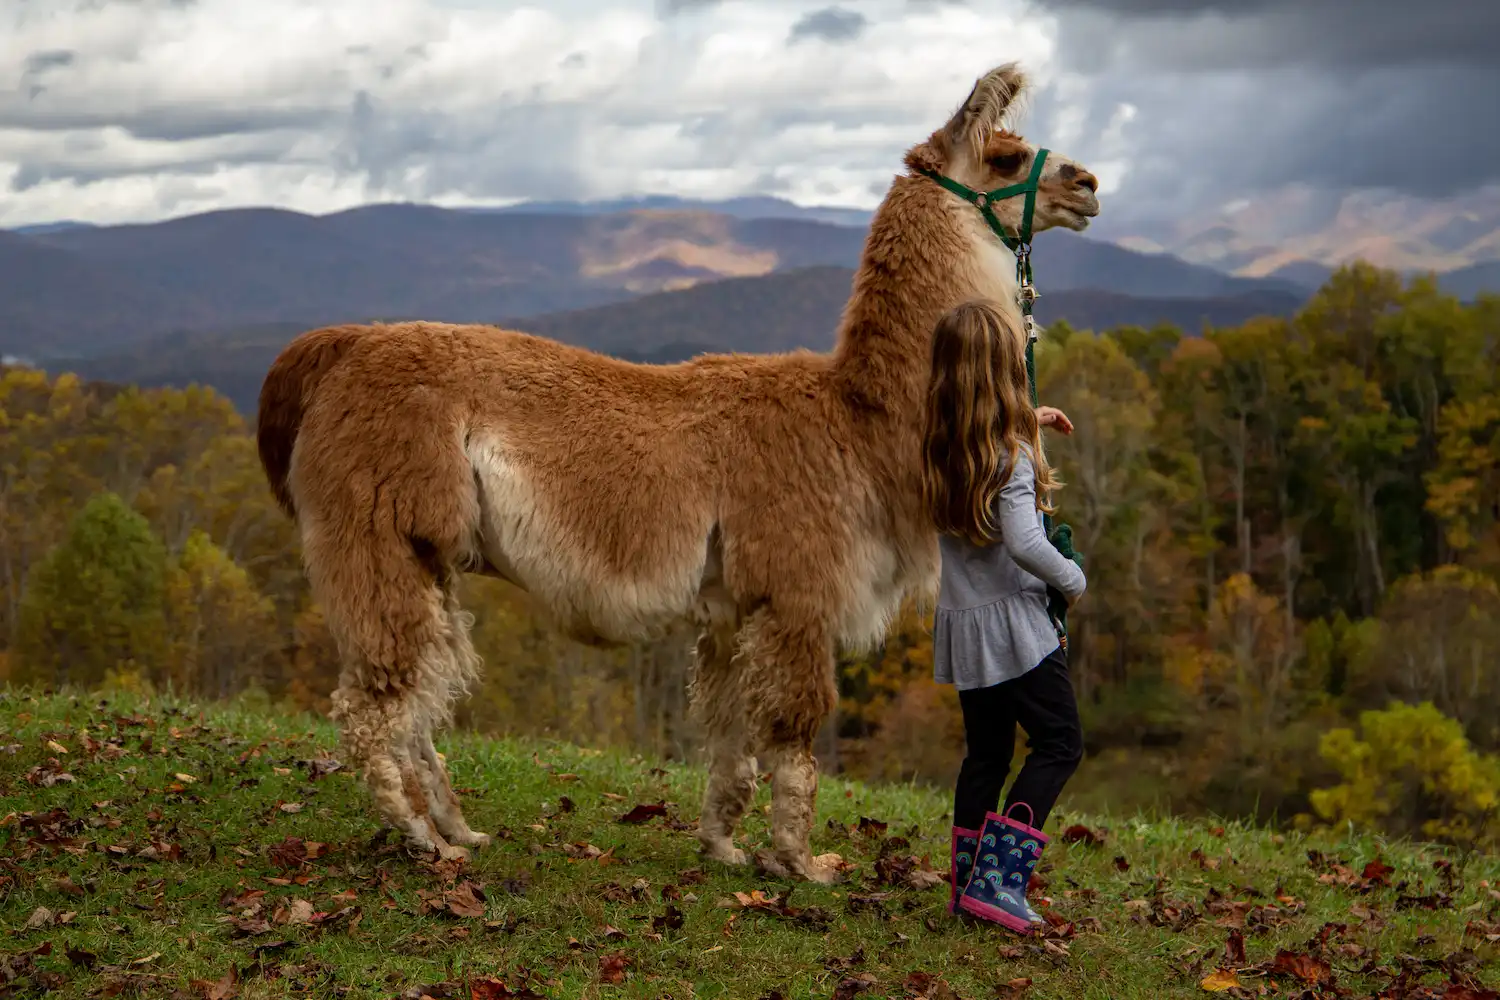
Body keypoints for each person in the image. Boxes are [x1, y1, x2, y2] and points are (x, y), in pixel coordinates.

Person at [920, 298, 1087, 935]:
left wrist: (1030, 422)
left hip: (964, 625)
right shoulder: (1011, 456)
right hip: (1017, 633)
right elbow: (1023, 540)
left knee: (986, 756)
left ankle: (967, 885)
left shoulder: (939, 448)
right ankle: (998, 880)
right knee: (1060, 742)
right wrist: (1072, 580)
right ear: (1002, 375)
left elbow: (985, 445)